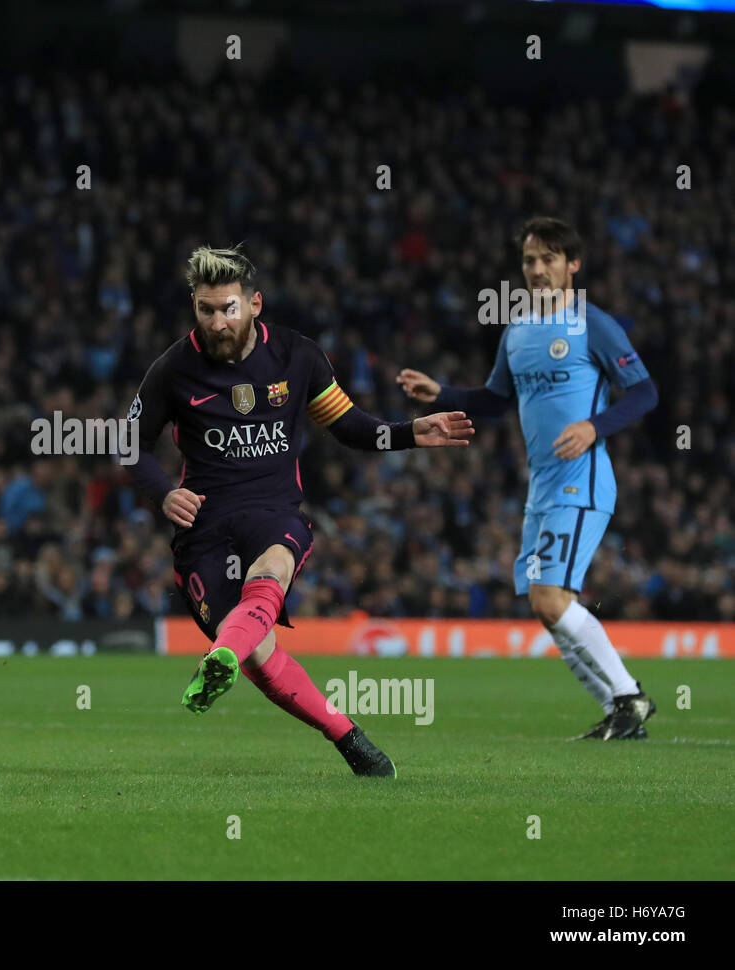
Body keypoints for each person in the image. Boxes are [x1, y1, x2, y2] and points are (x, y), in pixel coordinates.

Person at [127, 245, 473, 776]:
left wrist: (409, 433)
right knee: (258, 655)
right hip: (203, 527)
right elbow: (131, 441)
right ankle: (349, 738)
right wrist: (161, 492)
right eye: (205, 309)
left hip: (272, 511)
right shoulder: (174, 368)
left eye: (228, 309)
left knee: (276, 562)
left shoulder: (298, 356)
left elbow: (349, 426)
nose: (217, 322)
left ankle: (225, 658)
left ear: (255, 304)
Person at [396, 216, 658, 739]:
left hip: (580, 481)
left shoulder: (593, 324)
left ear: (572, 265)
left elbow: (645, 393)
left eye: (549, 259)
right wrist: (441, 394)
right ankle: (618, 710)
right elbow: (495, 400)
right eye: (530, 261)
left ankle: (630, 697)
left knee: (549, 600)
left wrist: (593, 426)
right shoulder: (516, 331)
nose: (537, 270)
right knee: (547, 608)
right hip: (541, 489)